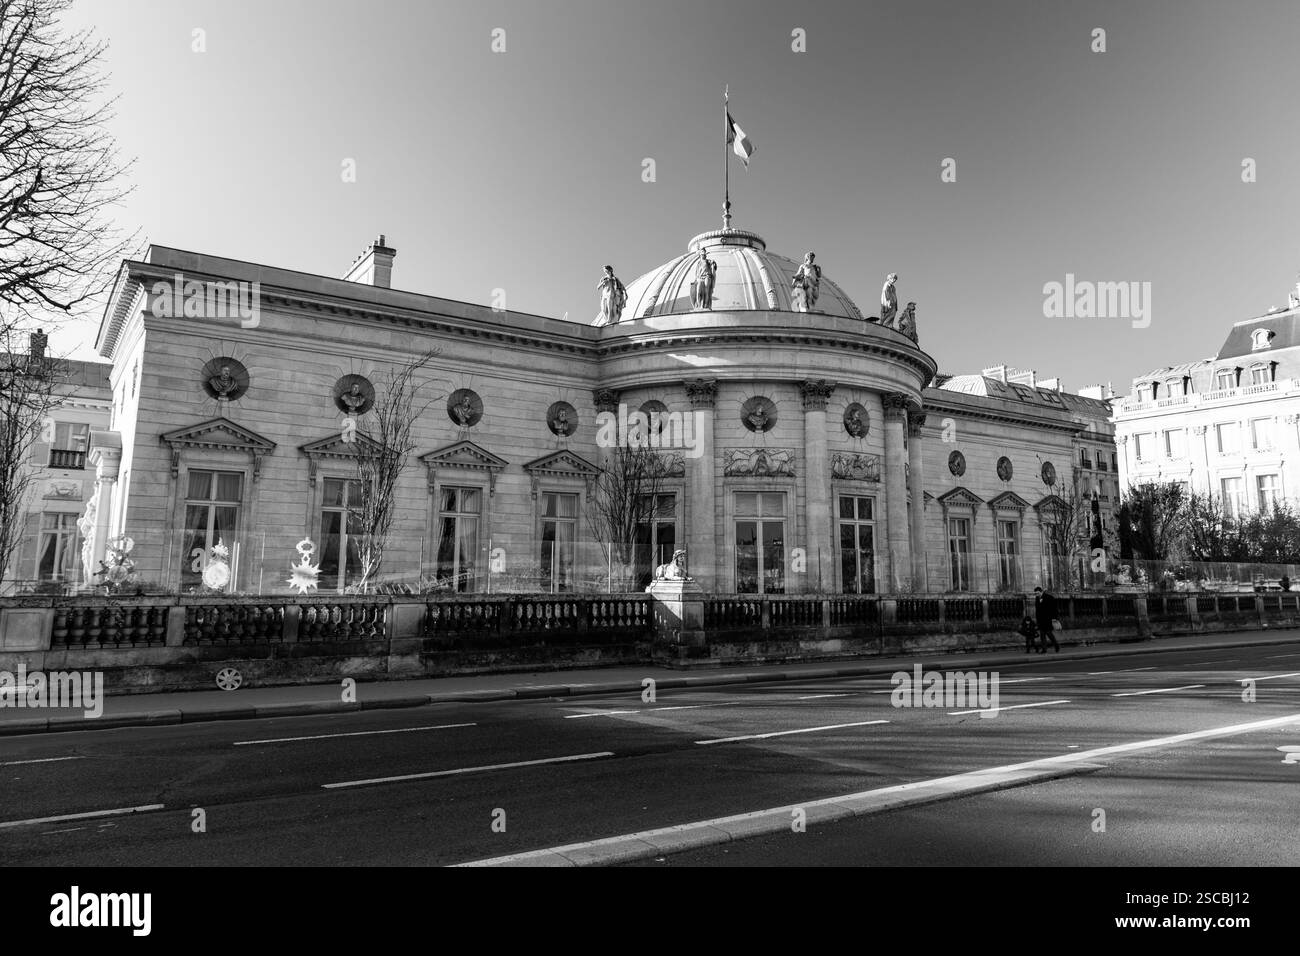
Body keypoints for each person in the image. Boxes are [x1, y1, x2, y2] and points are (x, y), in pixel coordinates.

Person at [1034, 586, 1060, 653]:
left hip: (1048, 619)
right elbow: (1037, 610)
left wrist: (1055, 618)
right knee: (1042, 635)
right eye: (1035, 593)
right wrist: (1037, 620)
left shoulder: (1049, 597)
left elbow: (1054, 608)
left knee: (1049, 633)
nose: (1036, 595)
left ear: (1041, 591)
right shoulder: (1037, 599)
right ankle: (1044, 649)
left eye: (1037, 593)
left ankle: (1056, 645)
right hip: (1041, 620)